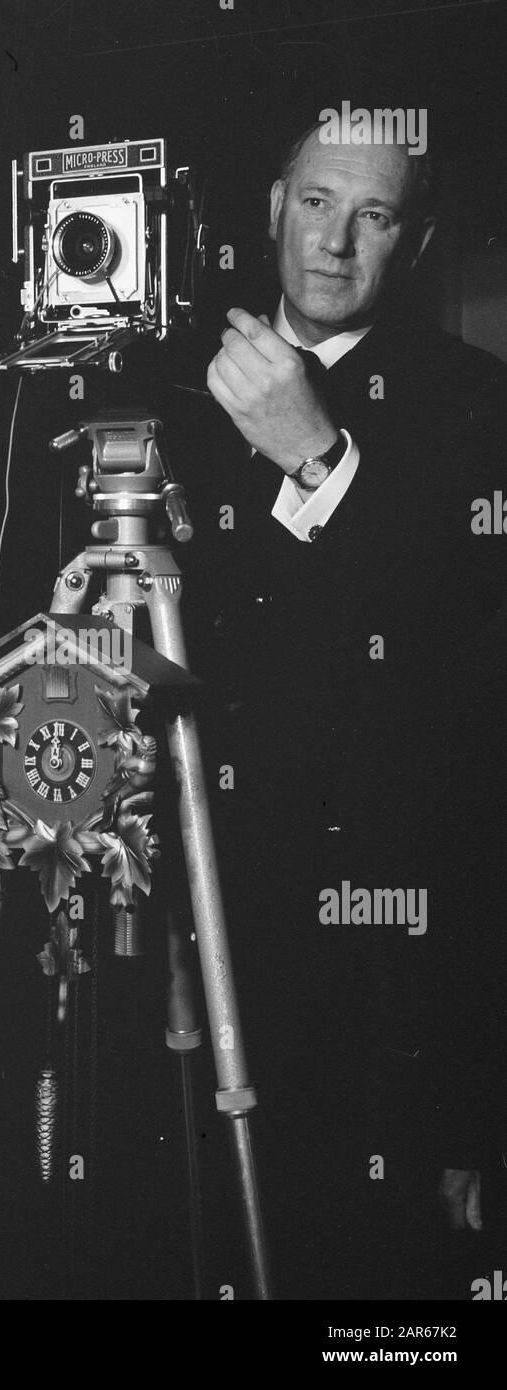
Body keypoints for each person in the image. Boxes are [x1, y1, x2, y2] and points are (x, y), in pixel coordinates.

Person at [199, 114, 507, 1298]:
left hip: (389, 924)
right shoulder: (176, 372)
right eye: (316, 201)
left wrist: (319, 462)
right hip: (199, 902)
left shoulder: (473, 402)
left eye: (372, 215)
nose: (333, 243)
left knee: (363, 1248)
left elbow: (464, 647)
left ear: (413, 240)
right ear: (272, 202)